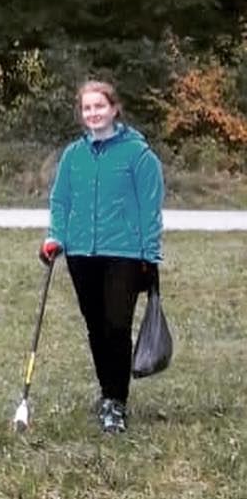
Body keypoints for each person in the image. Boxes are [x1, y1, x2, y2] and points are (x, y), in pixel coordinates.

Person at [40, 79, 164, 435]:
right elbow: (60, 201)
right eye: (87, 108)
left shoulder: (138, 155)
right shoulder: (72, 156)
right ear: (82, 114)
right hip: (81, 253)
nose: (93, 113)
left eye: (100, 106)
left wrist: (148, 257)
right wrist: (55, 237)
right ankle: (107, 391)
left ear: (114, 109)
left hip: (124, 254)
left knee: (117, 326)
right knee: (96, 327)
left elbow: (149, 209)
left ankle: (116, 402)